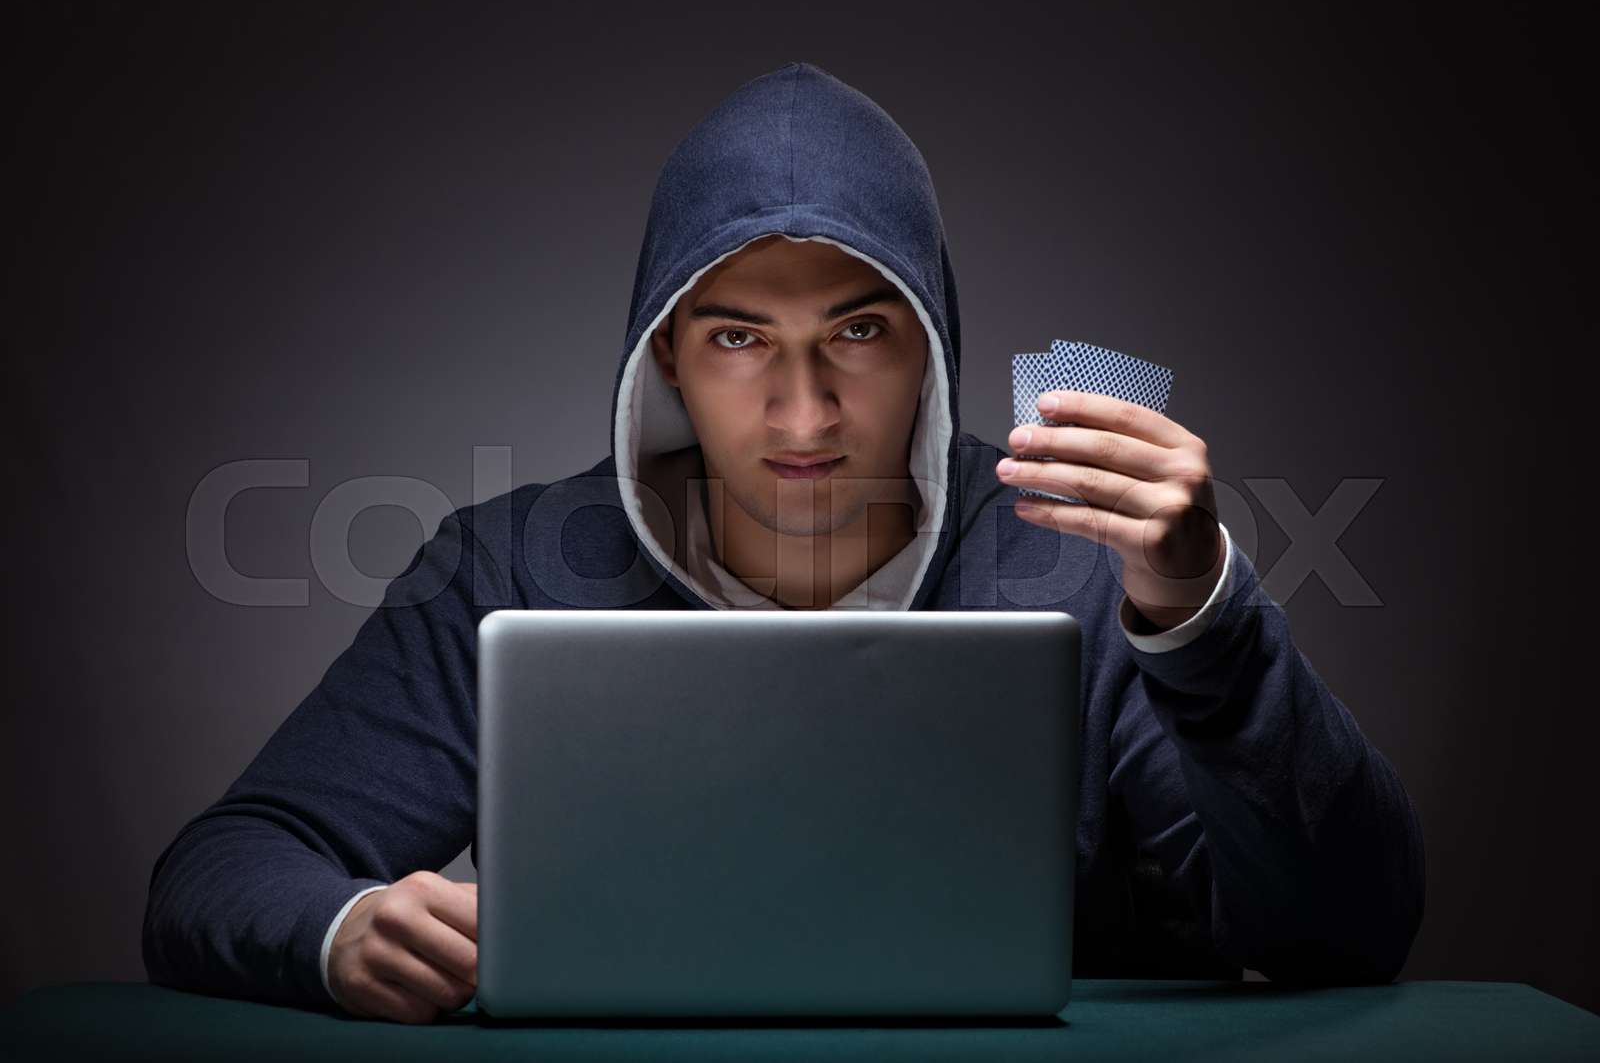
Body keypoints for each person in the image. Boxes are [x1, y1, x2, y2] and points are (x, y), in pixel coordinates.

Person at [142, 61, 1424, 1024]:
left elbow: (1344, 933)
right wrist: (341, 926)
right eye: (738, 337)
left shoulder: (1083, 559)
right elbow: (219, 868)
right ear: (662, 362)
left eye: (860, 334)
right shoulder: (513, 561)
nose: (803, 415)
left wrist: (1201, 612)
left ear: (934, 348)